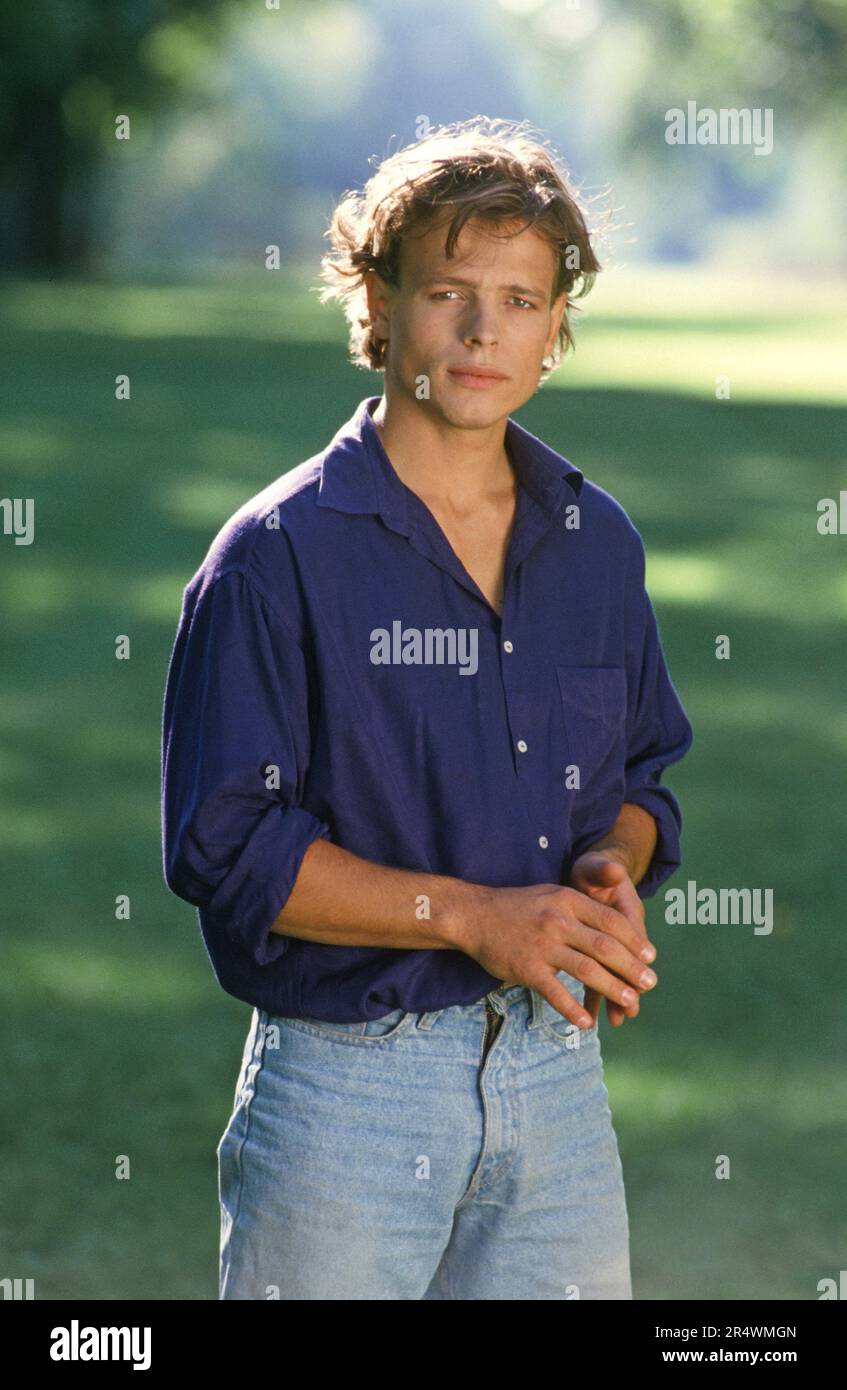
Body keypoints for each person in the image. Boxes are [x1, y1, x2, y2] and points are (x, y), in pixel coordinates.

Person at [161, 116, 694, 1300]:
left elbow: (643, 776)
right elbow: (233, 854)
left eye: (519, 297)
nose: (481, 329)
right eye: (448, 290)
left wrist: (608, 864)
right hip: (350, 1089)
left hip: (556, 1078)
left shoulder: (594, 542)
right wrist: (474, 916)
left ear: (557, 325)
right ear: (381, 303)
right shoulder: (275, 556)